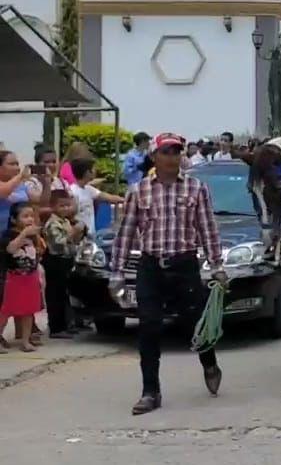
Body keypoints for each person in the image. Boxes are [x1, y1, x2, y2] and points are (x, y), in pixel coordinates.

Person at [110, 133, 227, 415]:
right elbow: (126, 233)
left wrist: (216, 265)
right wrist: (116, 273)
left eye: (177, 151)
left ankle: (209, 363)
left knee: (196, 324)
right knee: (149, 327)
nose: (172, 157)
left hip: (184, 264)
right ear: (154, 157)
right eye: (166, 152)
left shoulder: (196, 189)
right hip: (150, 266)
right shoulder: (139, 191)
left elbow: (207, 228)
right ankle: (150, 391)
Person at [1, 202, 45, 353]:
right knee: (6, 310)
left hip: (30, 277)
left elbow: (38, 254)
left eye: (32, 216)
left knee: (28, 311)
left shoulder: (34, 235)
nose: (30, 219)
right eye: (25, 216)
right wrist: (23, 234)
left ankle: (25, 341)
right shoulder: (10, 234)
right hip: (14, 278)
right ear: (14, 219)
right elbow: (10, 248)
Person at [42, 190, 85, 338]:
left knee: (66, 294)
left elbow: (74, 242)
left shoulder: (66, 221)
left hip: (67, 260)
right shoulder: (52, 223)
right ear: (53, 207)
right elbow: (58, 243)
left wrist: (77, 234)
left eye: (68, 205)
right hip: (55, 261)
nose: (65, 209)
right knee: (55, 295)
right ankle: (56, 328)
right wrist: (73, 233)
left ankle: (68, 324)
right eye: (62, 206)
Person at [69, 158, 124, 235]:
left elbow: (109, 197)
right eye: (93, 169)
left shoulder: (89, 189)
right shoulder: (72, 192)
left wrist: (125, 200)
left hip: (91, 234)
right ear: (87, 172)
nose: (95, 172)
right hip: (80, 236)